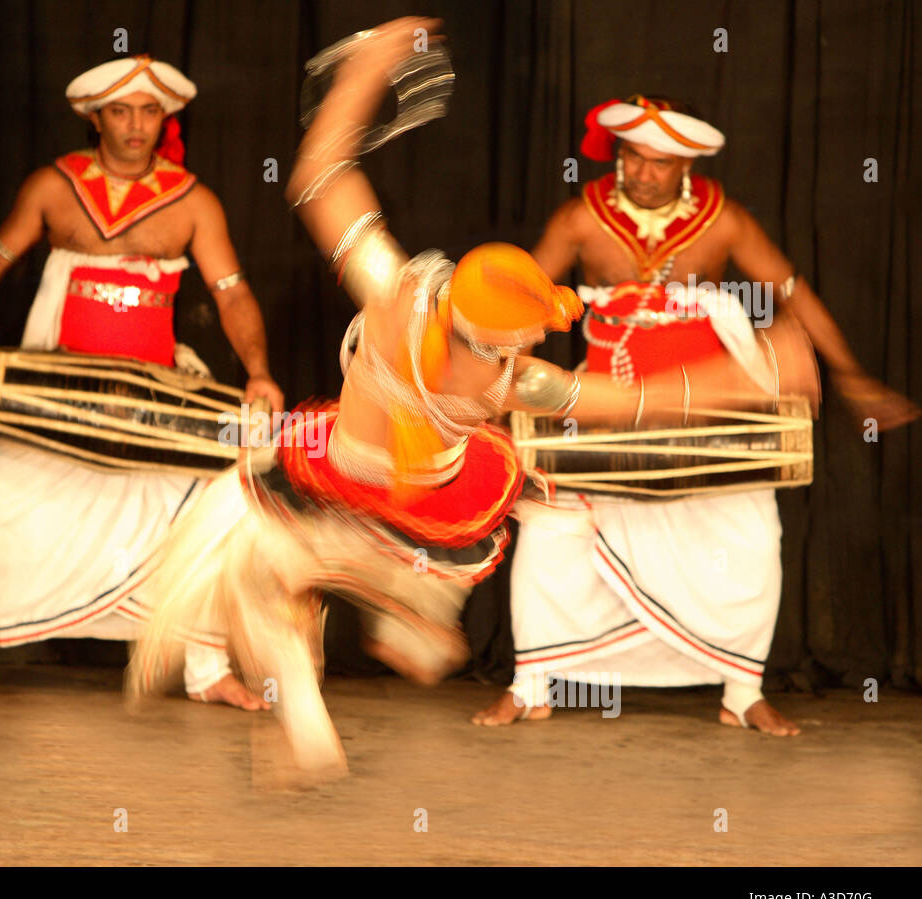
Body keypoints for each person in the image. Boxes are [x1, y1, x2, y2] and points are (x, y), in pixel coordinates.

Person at [126, 21, 820, 773]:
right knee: (375, 612)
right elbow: (630, 403)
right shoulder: (502, 370)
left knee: (315, 579)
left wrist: (369, 67)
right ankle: (351, 628)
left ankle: (355, 618)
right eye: (515, 343)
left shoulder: (400, 295)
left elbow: (319, 177)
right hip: (403, 496)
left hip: (375, 485)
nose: (523, 353)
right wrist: (751, 375)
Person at [473, 94, 914, 734]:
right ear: (619, 156)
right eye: (634, 158)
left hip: (709, 409)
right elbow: (524, 301)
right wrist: (489, 385)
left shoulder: (723, 221)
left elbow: (789, 290)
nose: (645, 173)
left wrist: (848, 375)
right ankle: (531, 684)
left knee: (752, 538)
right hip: (605, 403)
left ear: (687, 164)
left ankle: (743, 694)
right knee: (552, 532)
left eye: (661, 163)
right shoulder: (580, 218)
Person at [0, 55, 281, 711]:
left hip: (155, 397)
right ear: (96, 117)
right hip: (53, 396)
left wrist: (257, 369)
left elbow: (232, 294)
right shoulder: (54, 187)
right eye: (121, 110)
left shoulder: (194, 200)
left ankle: (207, 670)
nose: (137, 124)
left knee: (205, 520)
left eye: (150, 111)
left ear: (166, 117)